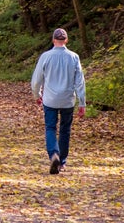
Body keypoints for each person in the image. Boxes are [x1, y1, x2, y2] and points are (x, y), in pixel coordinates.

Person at [31, 28, 86, 175]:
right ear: (66, 40)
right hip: (68, 100)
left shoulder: (46, 56)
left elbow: (36, 79)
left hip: (50, 99)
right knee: (65, 130)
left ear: (53, 40)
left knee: (50, 128)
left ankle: (54, 154)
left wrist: (37, 94)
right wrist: (82, 102)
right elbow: (79, 82)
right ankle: (61, 162)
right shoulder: (74, 57)